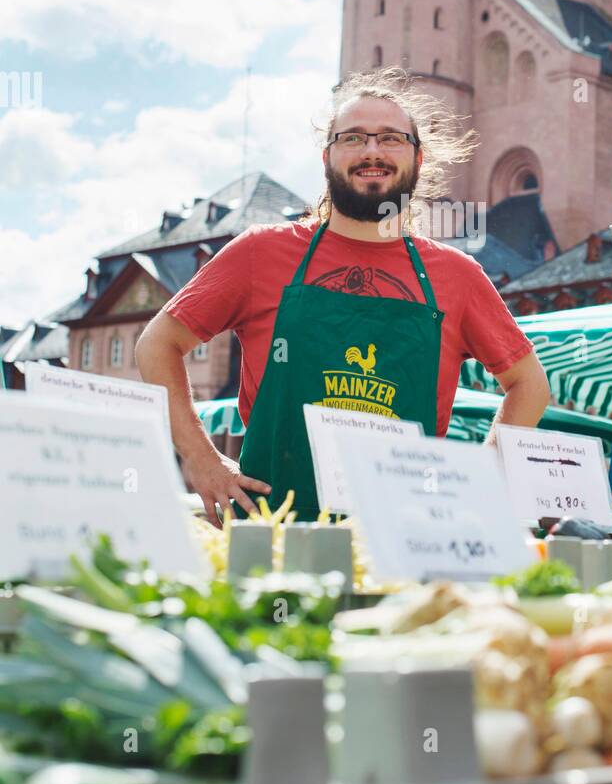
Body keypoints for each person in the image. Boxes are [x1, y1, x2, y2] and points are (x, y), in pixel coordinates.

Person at [136, 68, 551, 526]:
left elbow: (530, 384)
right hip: (268, 530)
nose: (372, 151)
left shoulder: (458, 276)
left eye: (390, 138)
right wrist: (200, 458)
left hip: (402, 536)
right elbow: (156, 344)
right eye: (353, 138)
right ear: (326, 156)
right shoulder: (259, 252)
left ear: (418, 158)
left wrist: (480, 478)